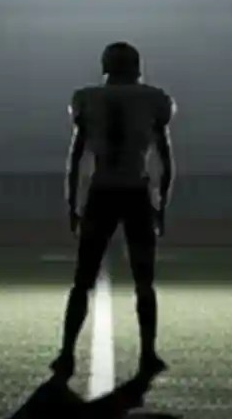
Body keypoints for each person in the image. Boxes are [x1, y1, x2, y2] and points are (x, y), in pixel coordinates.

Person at [50, 41, 176, 380]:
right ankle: (148, 354)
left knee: (82, 281)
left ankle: (66, 354)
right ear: (137, 66)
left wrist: (71, 205)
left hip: (101, 191)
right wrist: (161, 204)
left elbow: (75, 158)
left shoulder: (86, 98)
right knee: (144, 282)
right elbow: (166, 158)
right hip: (135, 191)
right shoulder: (154, 99)